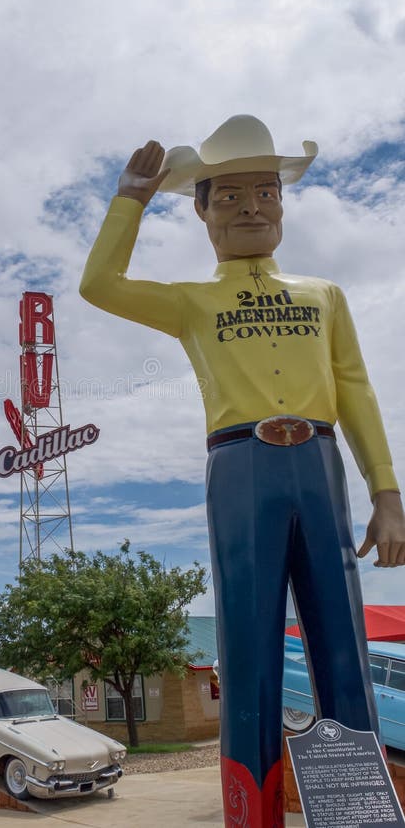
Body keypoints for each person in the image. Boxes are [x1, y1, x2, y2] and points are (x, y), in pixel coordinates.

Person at [79, 115, 405, 827]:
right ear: (201, 213)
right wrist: (129, 200)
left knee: (343, 645)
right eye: (228, 196)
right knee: (249, 647)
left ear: (283, 205)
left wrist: (387, 491)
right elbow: (99, 285)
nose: (251, 206)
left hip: (319, 465)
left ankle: (363, 816)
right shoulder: (193, 301)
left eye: (265, 191)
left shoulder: (324, 296)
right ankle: (249, 814)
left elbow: (355, 389)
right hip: (239, 467)